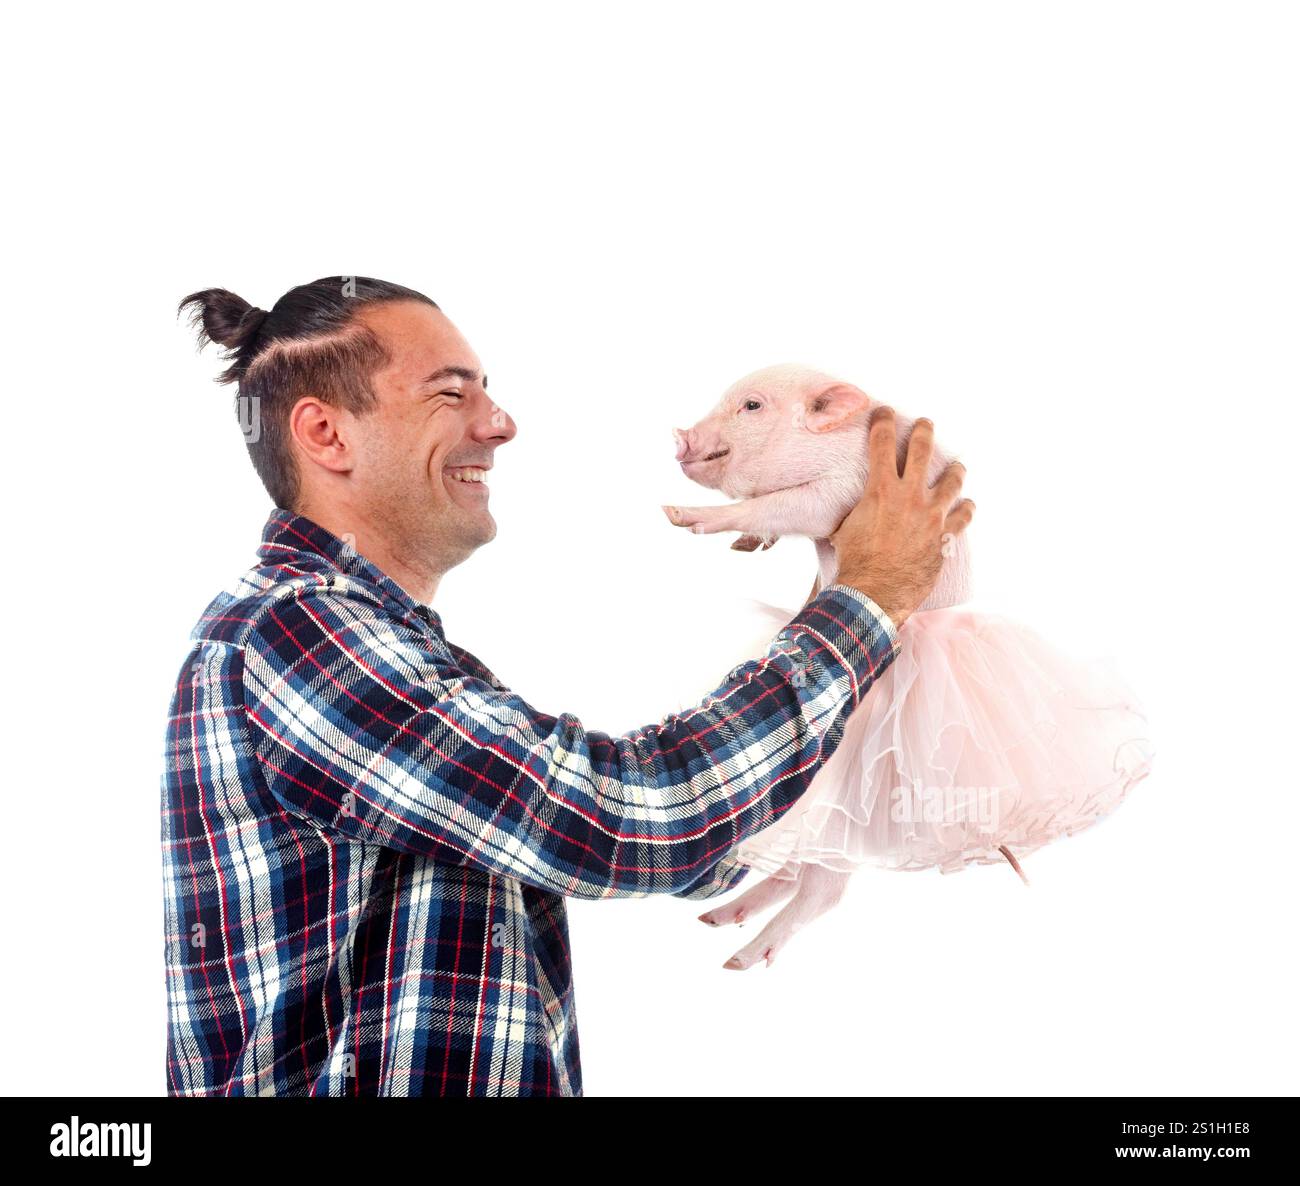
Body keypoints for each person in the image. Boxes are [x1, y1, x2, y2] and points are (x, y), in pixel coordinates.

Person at [162, 276, 972, 1096]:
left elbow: (617, 828)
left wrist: (808, 823)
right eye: (452, 393)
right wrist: (866, 599)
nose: (500, 424)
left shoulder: (381, 646)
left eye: (488, 392)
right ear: (326, 434)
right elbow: (632, 815)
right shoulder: (301, 636)